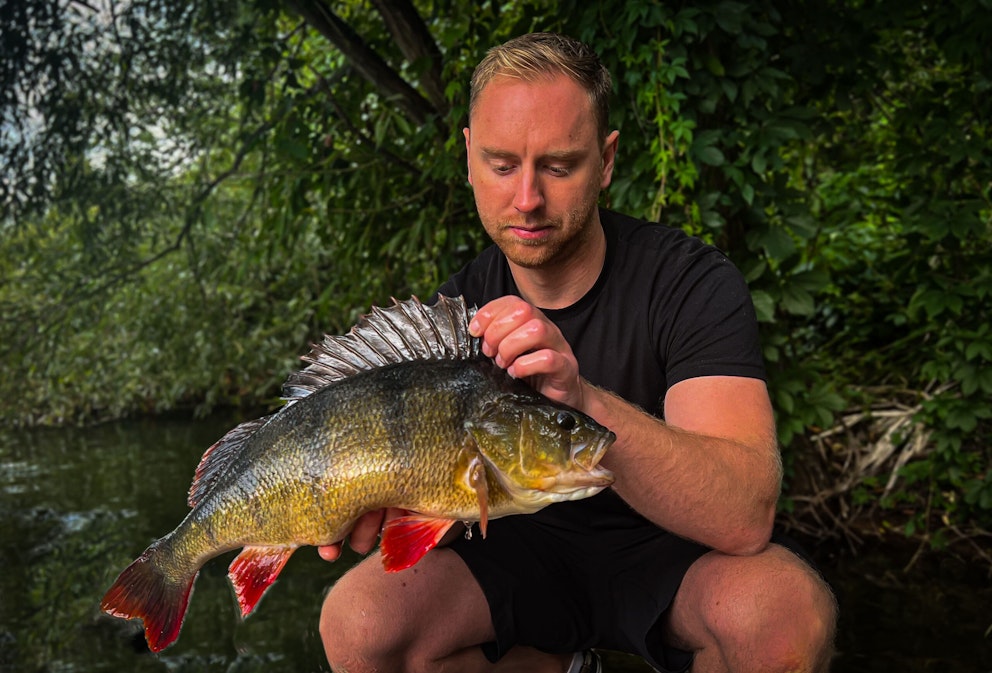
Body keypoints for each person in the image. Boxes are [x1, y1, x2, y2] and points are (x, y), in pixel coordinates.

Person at [317, 32, 837, 673]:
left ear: (607, 161)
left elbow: (745, 515)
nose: (528, 198)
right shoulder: (452, 319)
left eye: (559, 167)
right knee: (361, 622)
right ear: (469, 157)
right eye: (503, 166)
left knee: (784, 613)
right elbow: (440, 518)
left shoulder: (690, 282)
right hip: (519, 553)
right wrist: (403, 504)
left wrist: (581, 395)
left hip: (672, 553)